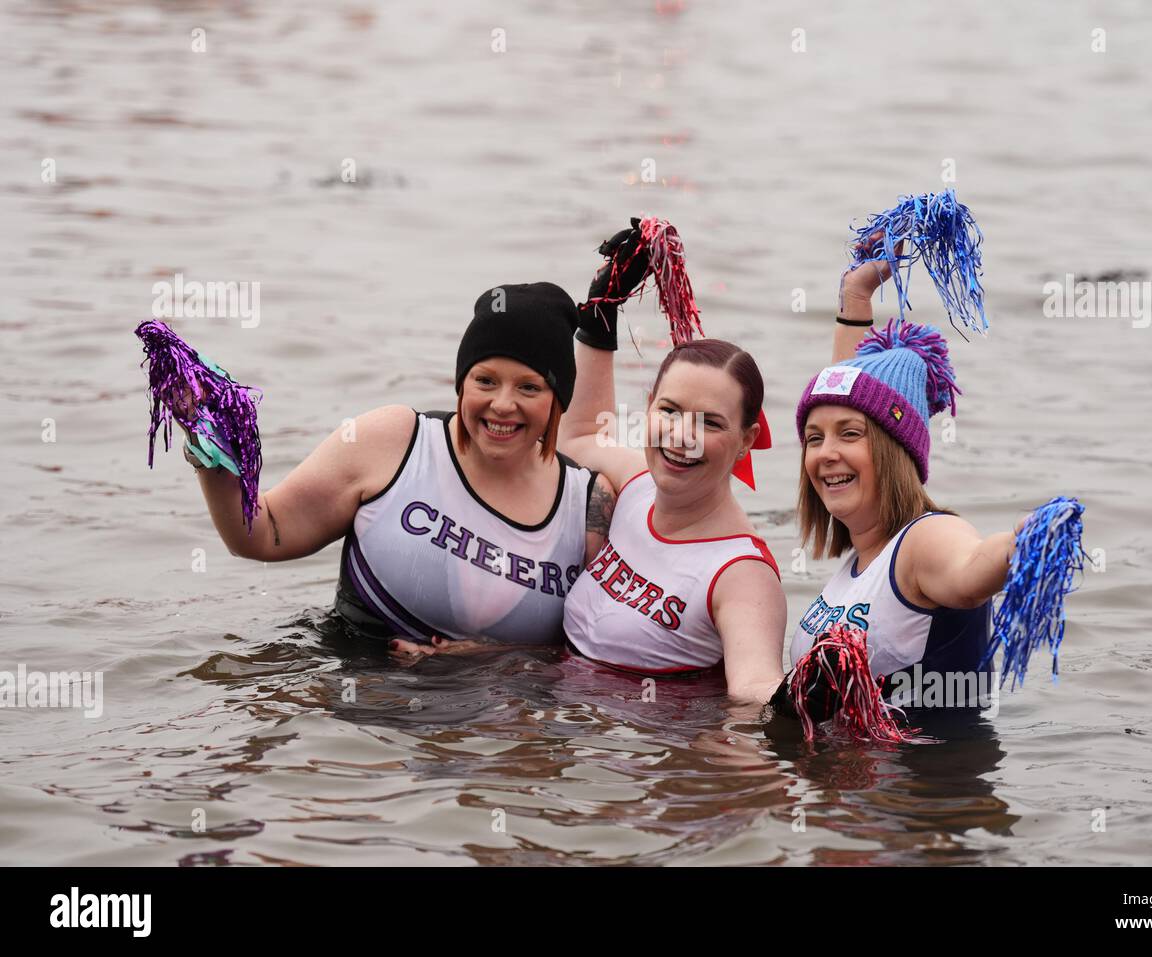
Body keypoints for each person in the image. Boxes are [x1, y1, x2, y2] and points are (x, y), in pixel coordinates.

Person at [177, 281, 615, 651]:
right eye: (485, 380)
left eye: (529, 387)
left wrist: (482, 662)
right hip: (357, 717)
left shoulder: (588, 505)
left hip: (505, 735)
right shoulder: (395, 440)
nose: (502, 404)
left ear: (557, 399)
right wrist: (212, 453)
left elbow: (598, 653)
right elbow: (262, 535)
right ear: (460, 383)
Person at [786, 235, 1027, 711]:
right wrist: (855, 298)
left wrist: (1022, 546)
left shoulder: (925, 541)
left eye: (850, 436)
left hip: (921, 785)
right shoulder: (862, 560)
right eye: (814, 438)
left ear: (894, 451)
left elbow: (971, 568)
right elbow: (850, 395)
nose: (826, 454)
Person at [556, 221, 787, 705]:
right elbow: (578, 438)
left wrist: (802, 698)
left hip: (652, 759)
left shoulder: (741, 572)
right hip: (573, 749)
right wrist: (602, 312)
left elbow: (753, 691)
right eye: (670, 411)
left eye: (710, 423)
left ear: (746, 441)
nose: (682, 437)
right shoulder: (637, 488)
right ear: (648, 409)